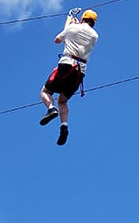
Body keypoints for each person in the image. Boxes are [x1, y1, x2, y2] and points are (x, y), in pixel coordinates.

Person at [39, 9, 98, 145]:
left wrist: (69, 24)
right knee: (63, 101)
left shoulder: (72, 28)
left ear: (83, 18)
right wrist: (73, 26)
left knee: (45, 92)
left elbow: (57, 40)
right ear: (93, 22)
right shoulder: (95, 36)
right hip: (80, 72)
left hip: (67, 64)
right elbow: (79, 36)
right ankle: (64, 125)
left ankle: (50, 108)